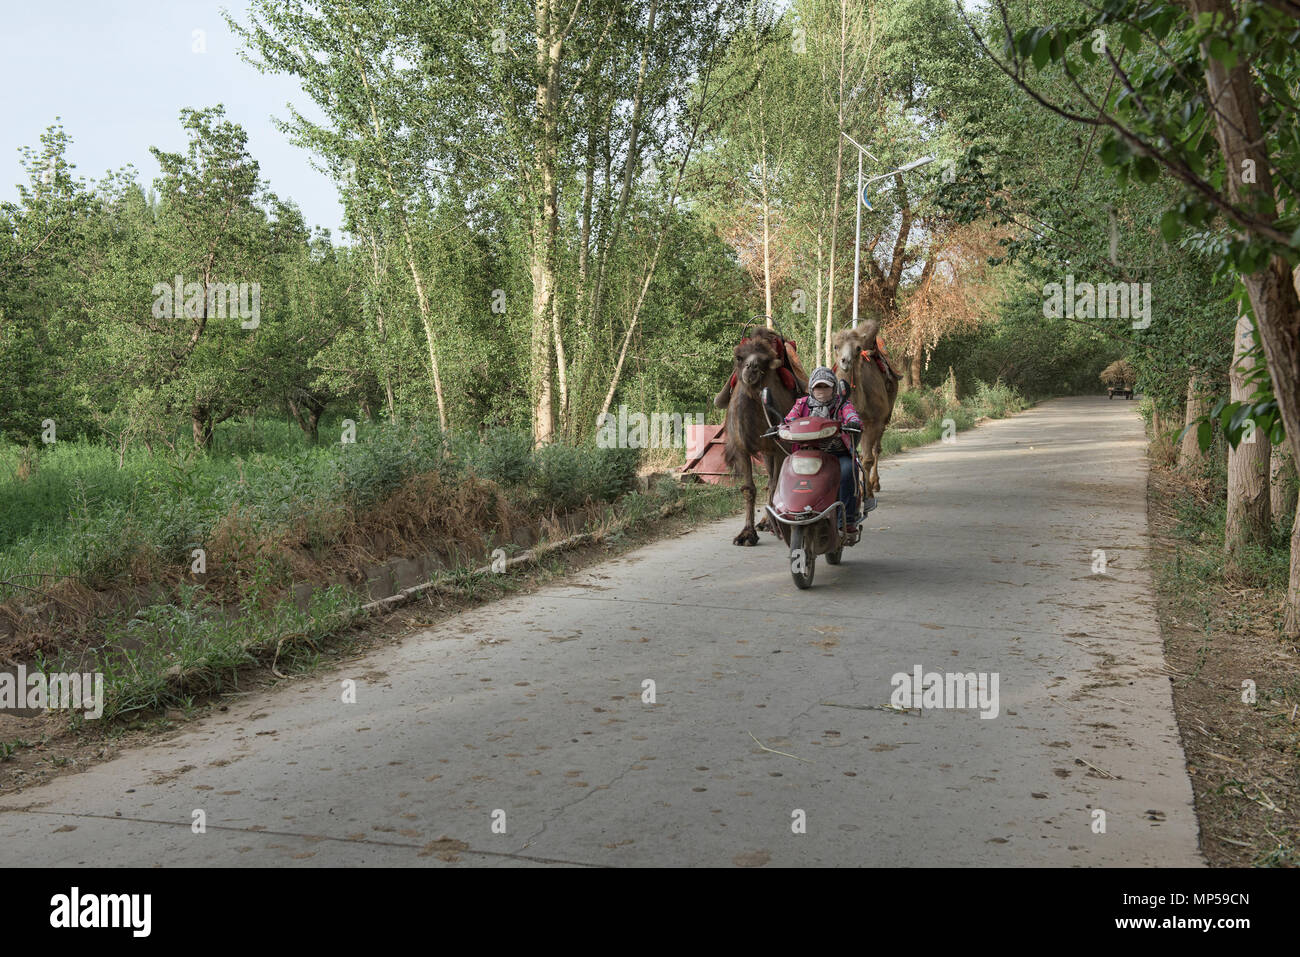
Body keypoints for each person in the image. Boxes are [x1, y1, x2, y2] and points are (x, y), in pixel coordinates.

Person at [783, 366, 864, 533]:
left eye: (826, 386)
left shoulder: (842, 403)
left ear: (833, 387)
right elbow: (789, 420)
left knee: (849, 470)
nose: (822, 390)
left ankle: (847, 520)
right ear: (811, 387)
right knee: (785, 471)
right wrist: (779, 428)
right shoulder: (801, 404)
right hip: (806, 455)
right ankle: (785, 512)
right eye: (818, 386)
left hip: (836, 455)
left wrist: (853, 422)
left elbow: (851, 415)